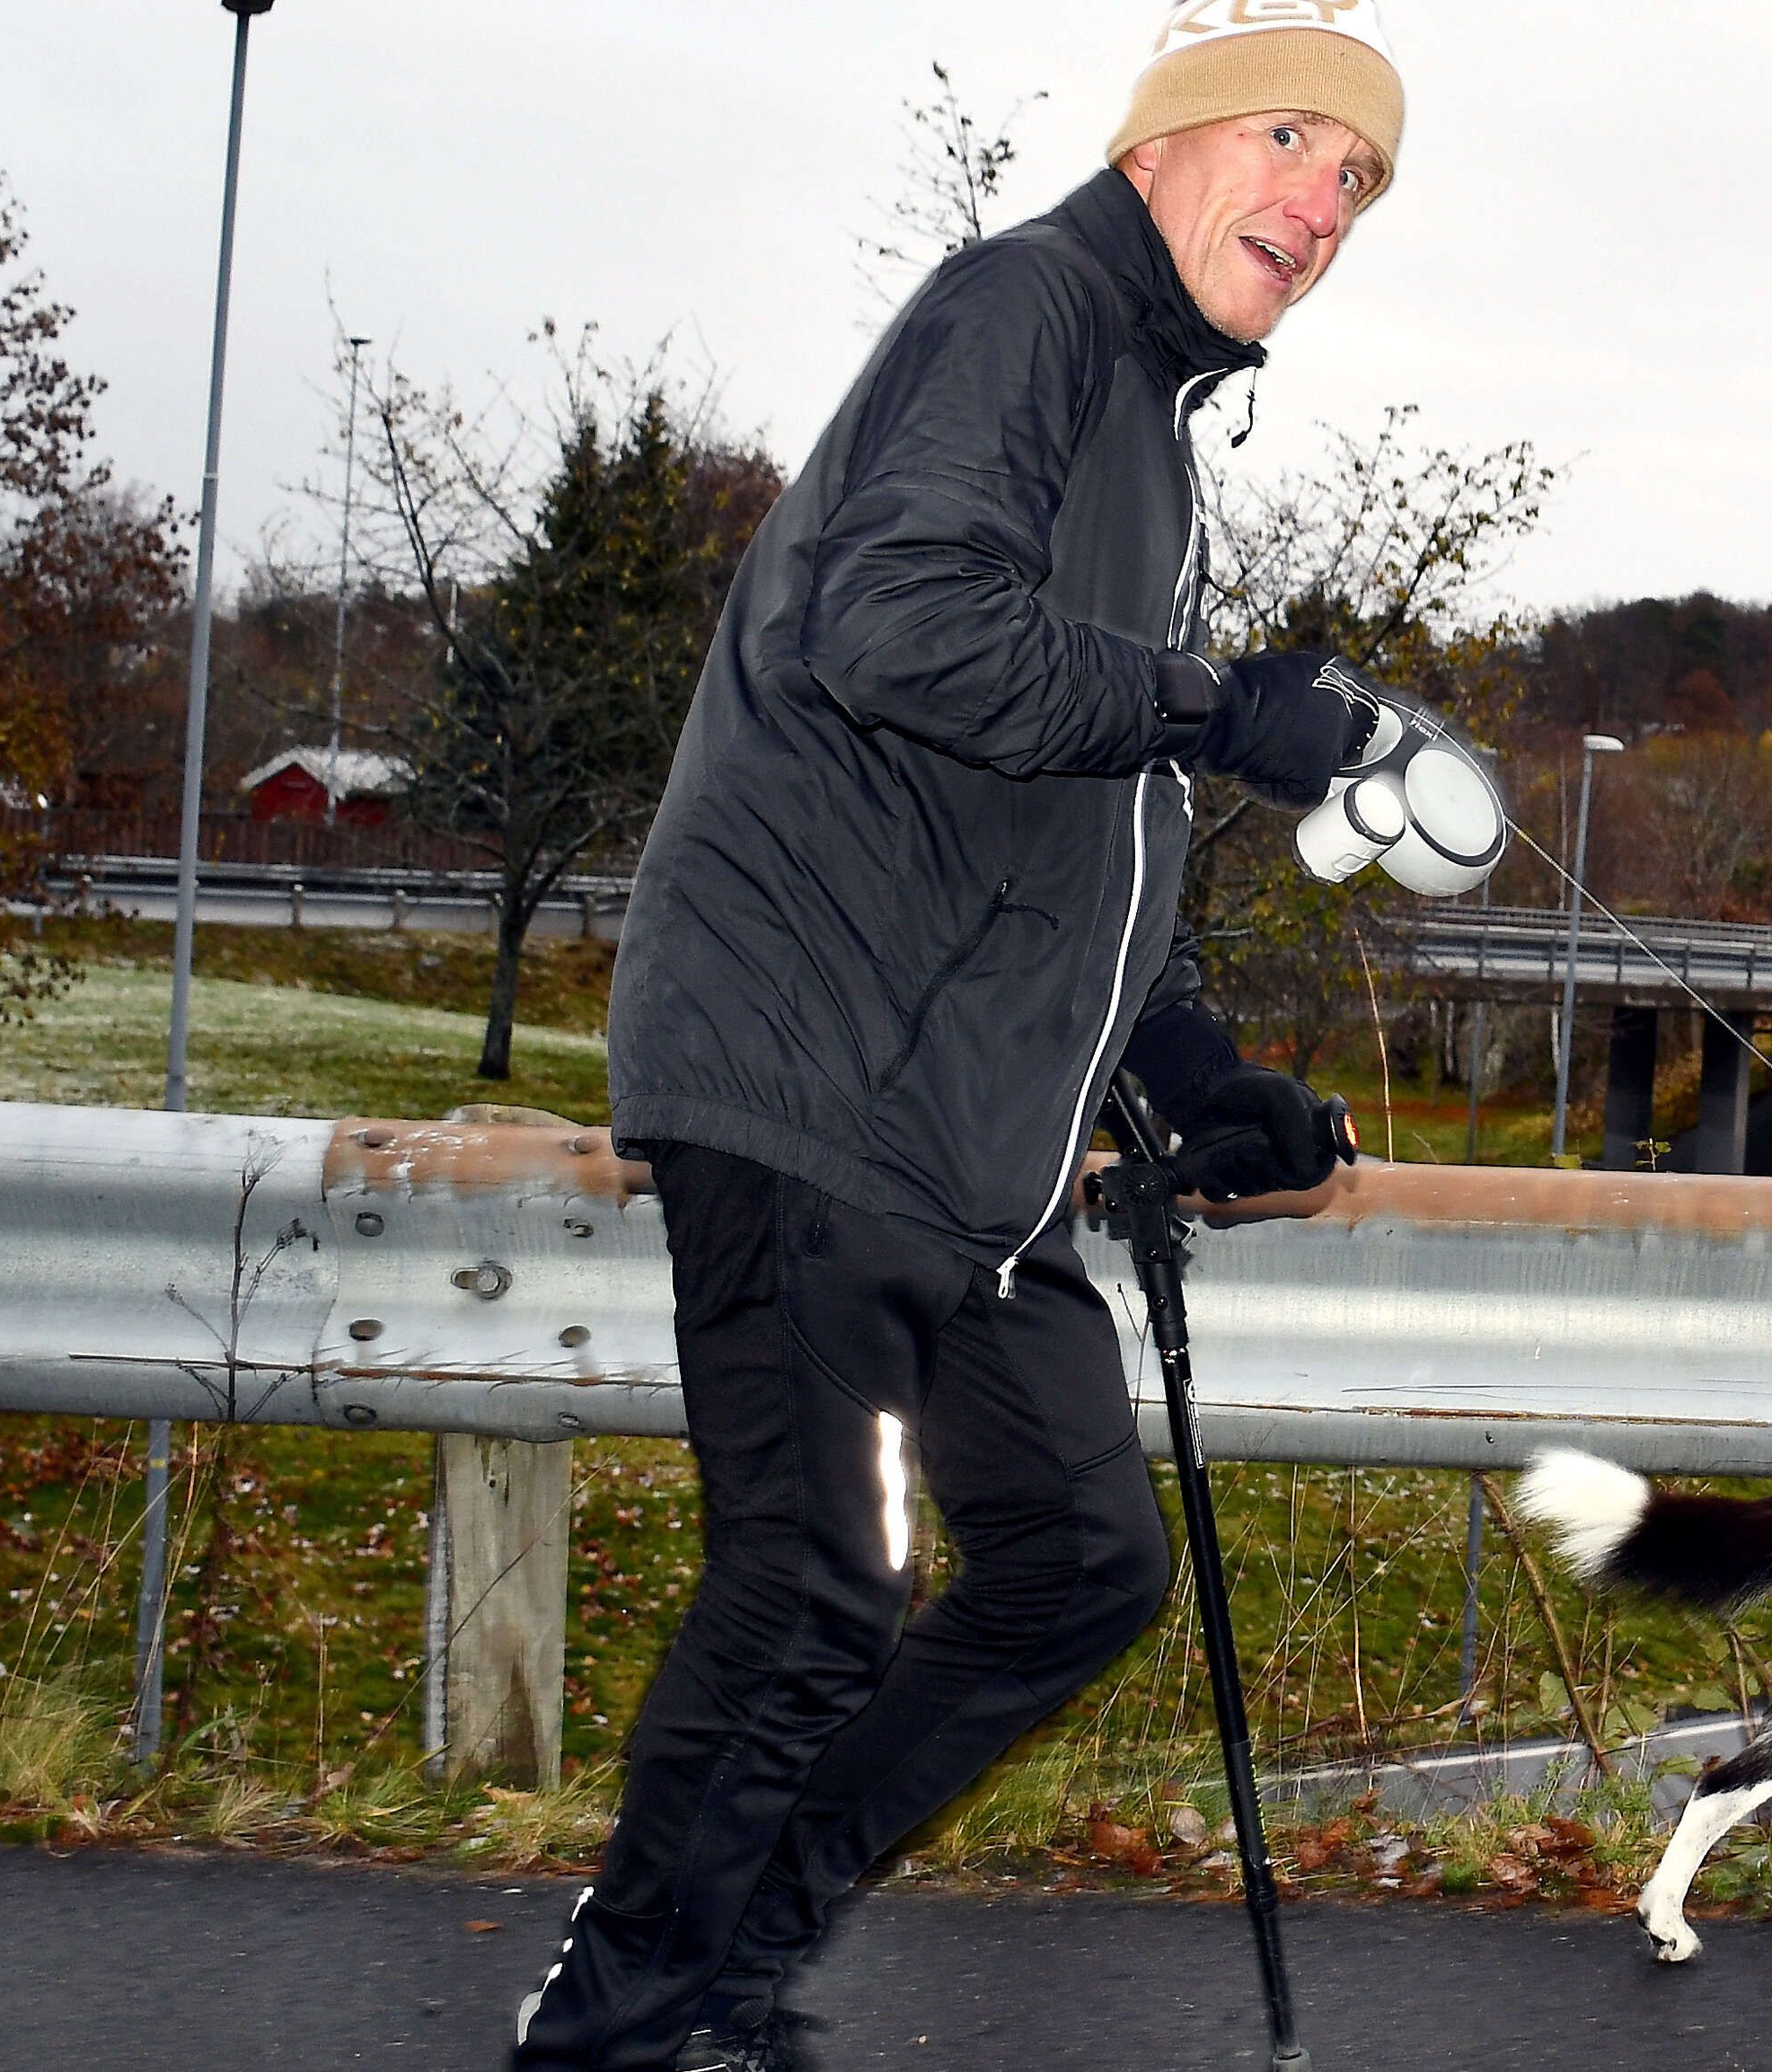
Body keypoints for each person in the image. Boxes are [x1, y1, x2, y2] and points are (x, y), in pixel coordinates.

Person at [516, 10, 1412, 2067]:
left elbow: (1070, 819)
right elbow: (897, 623)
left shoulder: (1150, 437)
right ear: (1173, 141)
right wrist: (1211, 705)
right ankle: (615, 2029)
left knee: (1079, 1559)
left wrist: (1190, 1067)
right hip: (815, 1060)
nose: (1320, 205)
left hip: (978, 1138)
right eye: (1291, 142)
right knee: (819, 1582)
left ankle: (721, 1959)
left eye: (1355, 183)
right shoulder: (1027, 309)